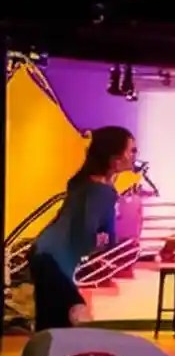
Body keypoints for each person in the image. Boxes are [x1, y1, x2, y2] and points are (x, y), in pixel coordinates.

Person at [28, 126, 136, 331]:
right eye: (131, 150)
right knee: (76, 314)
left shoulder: (84, 182)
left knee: (52, 325)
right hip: (52, 260)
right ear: (115, 157)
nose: (134, 156)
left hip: (43, 253)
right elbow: (96, 234)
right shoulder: (102, 191)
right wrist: (102, 242)